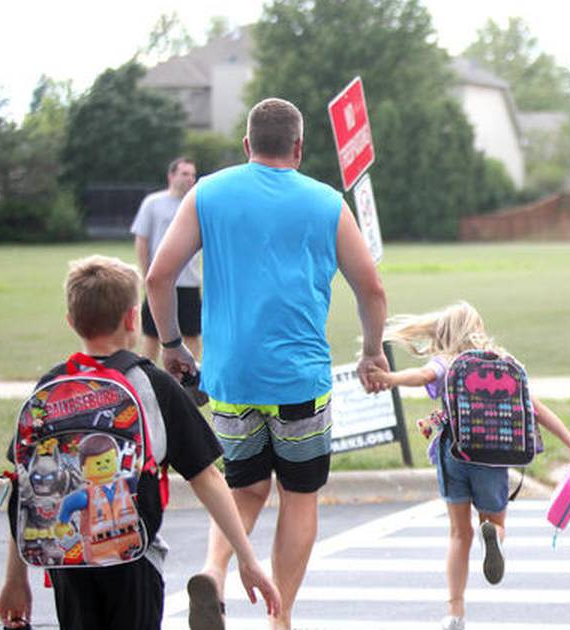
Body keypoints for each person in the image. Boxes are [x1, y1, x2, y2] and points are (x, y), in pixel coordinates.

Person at [145, 98, 389, 630]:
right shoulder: (326, 202)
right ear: (299, 148)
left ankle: (213, 569)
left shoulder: (207, 192)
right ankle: (282, 618)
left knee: (245, 487)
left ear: (246, 146)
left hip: (229, 378)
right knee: (299, 496)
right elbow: (371, 288)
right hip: (300, 381)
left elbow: (158, 277)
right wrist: (371, 351)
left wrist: (171, 344)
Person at [0, 255, 280, 630]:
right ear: (133, 319)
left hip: (68, 562)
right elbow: (207, 478)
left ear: (71, 322)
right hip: (134, 559)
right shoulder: (152, 384)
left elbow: (24, 485)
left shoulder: (49, 389)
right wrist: (247, 559)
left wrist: (15, 580)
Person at [369, 301, 570, 630]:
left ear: (443, 332)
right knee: (494, 522)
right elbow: (536, 409)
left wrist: (389, 378)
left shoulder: (445, 362)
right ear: (479, 328)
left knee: (459, 534)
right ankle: (496, 538)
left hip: (454, 454)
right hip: (493, 457)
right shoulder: (503, 363)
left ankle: (455, 613)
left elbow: (421, 376)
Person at [131, 157, 201, 363]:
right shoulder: (153, 203)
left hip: (189, 282)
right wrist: (146, 274)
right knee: (153, 336)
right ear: (171, 176)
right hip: (161, 280)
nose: (190, 178)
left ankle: (188, 386)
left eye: (193, 175)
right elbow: (142, 240)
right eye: (185, 173)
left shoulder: (197, 203)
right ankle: (149, 381)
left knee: (191, 335)